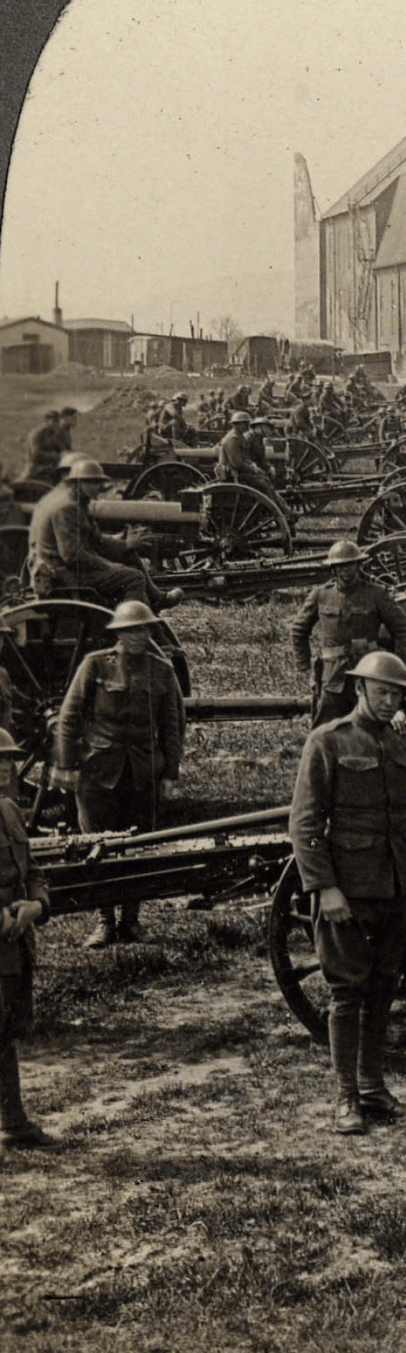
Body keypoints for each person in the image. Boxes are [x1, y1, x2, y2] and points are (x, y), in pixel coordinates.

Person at [290, 651, 406, 1134]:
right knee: (346, 991)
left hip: (395, 886)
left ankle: (373, 1089)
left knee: (383, 986)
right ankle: (346, 1098)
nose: (390, 700)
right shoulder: (328, 741)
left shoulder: (401, 742)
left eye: (397, 694)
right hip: (347, 888)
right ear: (360, 689)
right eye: (381, 691)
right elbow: (305, 824)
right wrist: (325, 887)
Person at [52, 601, 185, 949]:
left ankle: (131, 921)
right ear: (118, 633)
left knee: (138, 847)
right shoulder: (95, 665)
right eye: (130, 630)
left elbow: (172, 726)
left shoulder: (162, 671)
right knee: (97, 846)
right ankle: (105, 921)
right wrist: (66, 765)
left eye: (143, 629)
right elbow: (69, 717)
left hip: (143, 772)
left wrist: (170, 773)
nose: (138, 636)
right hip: (98, 771)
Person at [0, 728, 57, 1152]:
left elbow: (32, 869)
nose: (6, 767)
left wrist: (37, 904)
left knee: (4, 1030)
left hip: (12, 945)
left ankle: (14, 1123)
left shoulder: (9, 811)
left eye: (8, 759)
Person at [29, 457, 183, 612]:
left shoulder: (76, 502)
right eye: (95, 483)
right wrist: (107, 565)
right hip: (64, 574)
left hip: (65, 568)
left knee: (128, 555)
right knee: (134, 578)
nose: (100, 487)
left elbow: (96, 539)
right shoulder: (68, 508)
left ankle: (156, 599)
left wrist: (125, 544)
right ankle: (131, 621)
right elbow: (72, 555)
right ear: (80, 483)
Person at [290, 540, 406, 726]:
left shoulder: (376, 594)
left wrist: (395, 669)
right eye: (340, 566)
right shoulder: (321, 595)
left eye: (350, 565)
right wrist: (305, 669)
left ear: (358, 566)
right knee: (326, 729)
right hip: (333, 677)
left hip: (369, 673)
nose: (346, 570)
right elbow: (298, 630)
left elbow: (405, 630)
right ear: (333, 569)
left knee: (372, 727)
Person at [217, 410, 287, 513]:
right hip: (234, 475)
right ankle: (277, 511)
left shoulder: (239, 437)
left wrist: (253, 466)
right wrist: (253, 468)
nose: (247, 426)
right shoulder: (232, 439)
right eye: (245, 423)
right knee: (264, 484)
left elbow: (245, 458)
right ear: (237, 425)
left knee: (265, 480)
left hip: (240, 473)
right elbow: (237, 463)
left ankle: (281, 509)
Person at [24, 411, 65, 483]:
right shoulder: (36, 434)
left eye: (58, 421)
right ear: (47, 421)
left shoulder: (55, 434)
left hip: (50, 468)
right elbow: (36, 454)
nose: (57, 424)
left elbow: (61, 449)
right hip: (35, 469)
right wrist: (55, 456)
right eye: (54, 421)